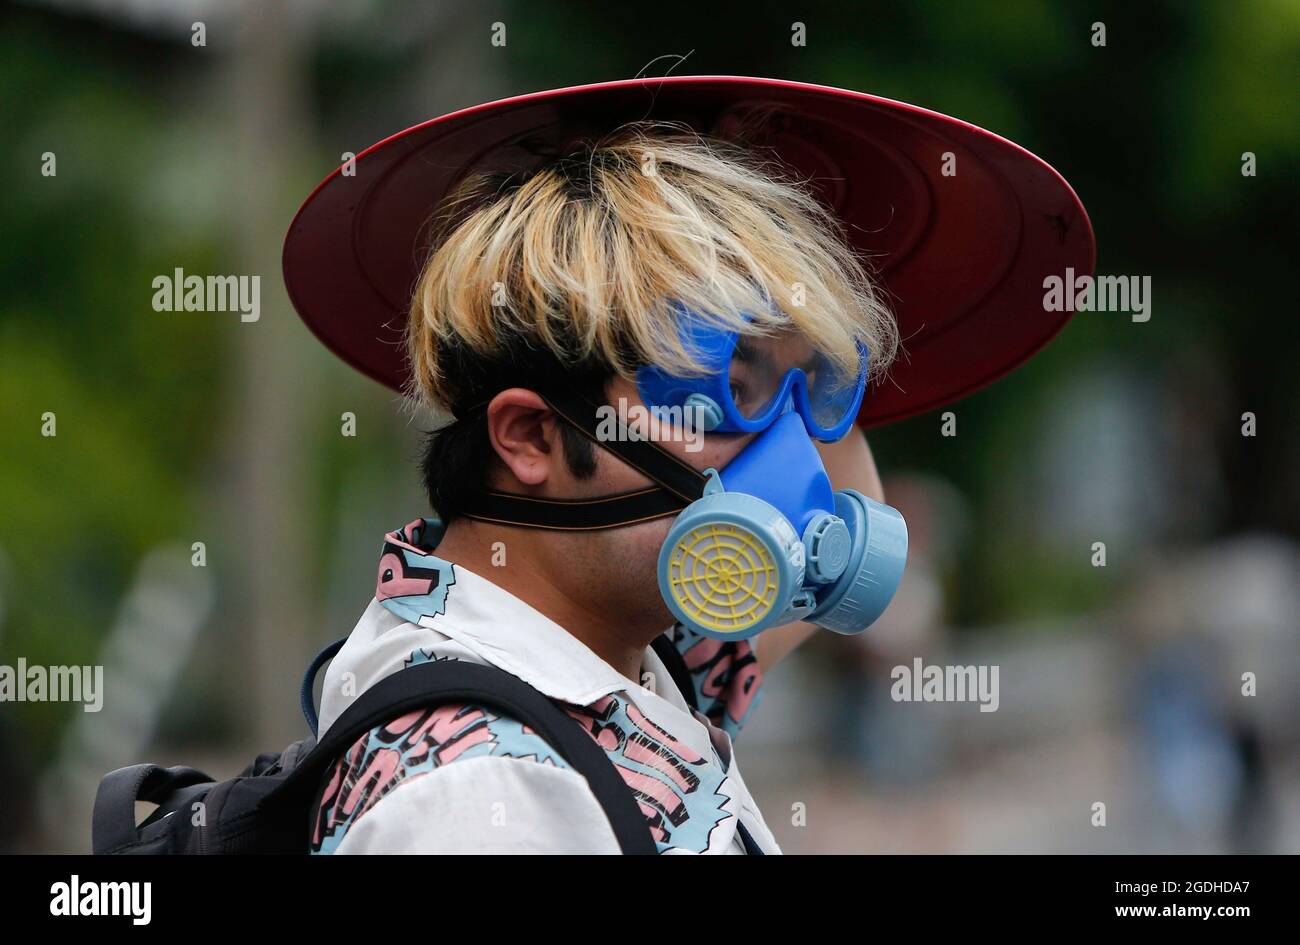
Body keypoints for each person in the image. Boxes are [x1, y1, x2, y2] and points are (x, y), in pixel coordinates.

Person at [283, 77, 1093, 854]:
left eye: (798, 396)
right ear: (531, 437)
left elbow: (847, 493)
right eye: (726, 393)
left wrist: (736, 226)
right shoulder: (483, 794)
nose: (790, 462)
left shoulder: (634, 670)